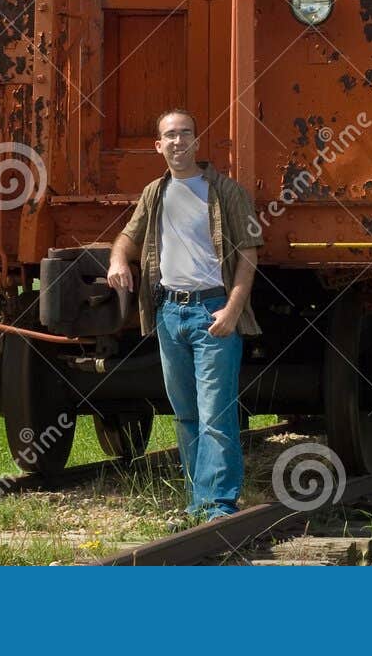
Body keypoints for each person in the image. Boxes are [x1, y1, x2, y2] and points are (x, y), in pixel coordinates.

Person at [106, 108, 261, 521]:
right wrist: (118, 261)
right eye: (169, 136)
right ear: (159, 145)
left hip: (213, 312)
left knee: (215, 414)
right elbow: (127, 237)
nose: (178, 142)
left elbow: (249, 253)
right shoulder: (154, 193)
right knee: (187, 414)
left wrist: (233, 308)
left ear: (196, 141)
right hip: (169, 314)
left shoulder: (226, 192)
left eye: (185, 134)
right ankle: (198, 502)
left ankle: (220, 505)